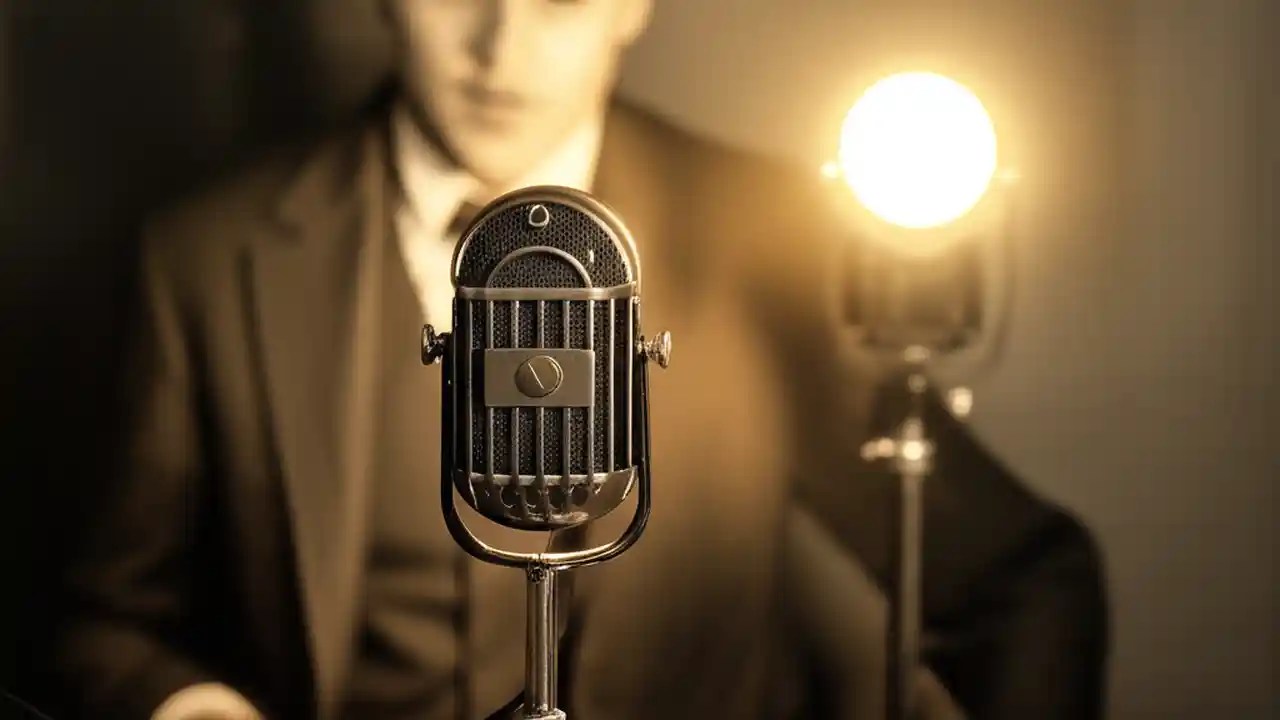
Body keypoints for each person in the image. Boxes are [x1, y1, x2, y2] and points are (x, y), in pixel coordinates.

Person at [51, 1, 1106, 719]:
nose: (499, 47)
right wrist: (185, 707)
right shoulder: (202, 259)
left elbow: (1026, 581)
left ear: (630, 2)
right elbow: (95, 624)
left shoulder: (761, 236)